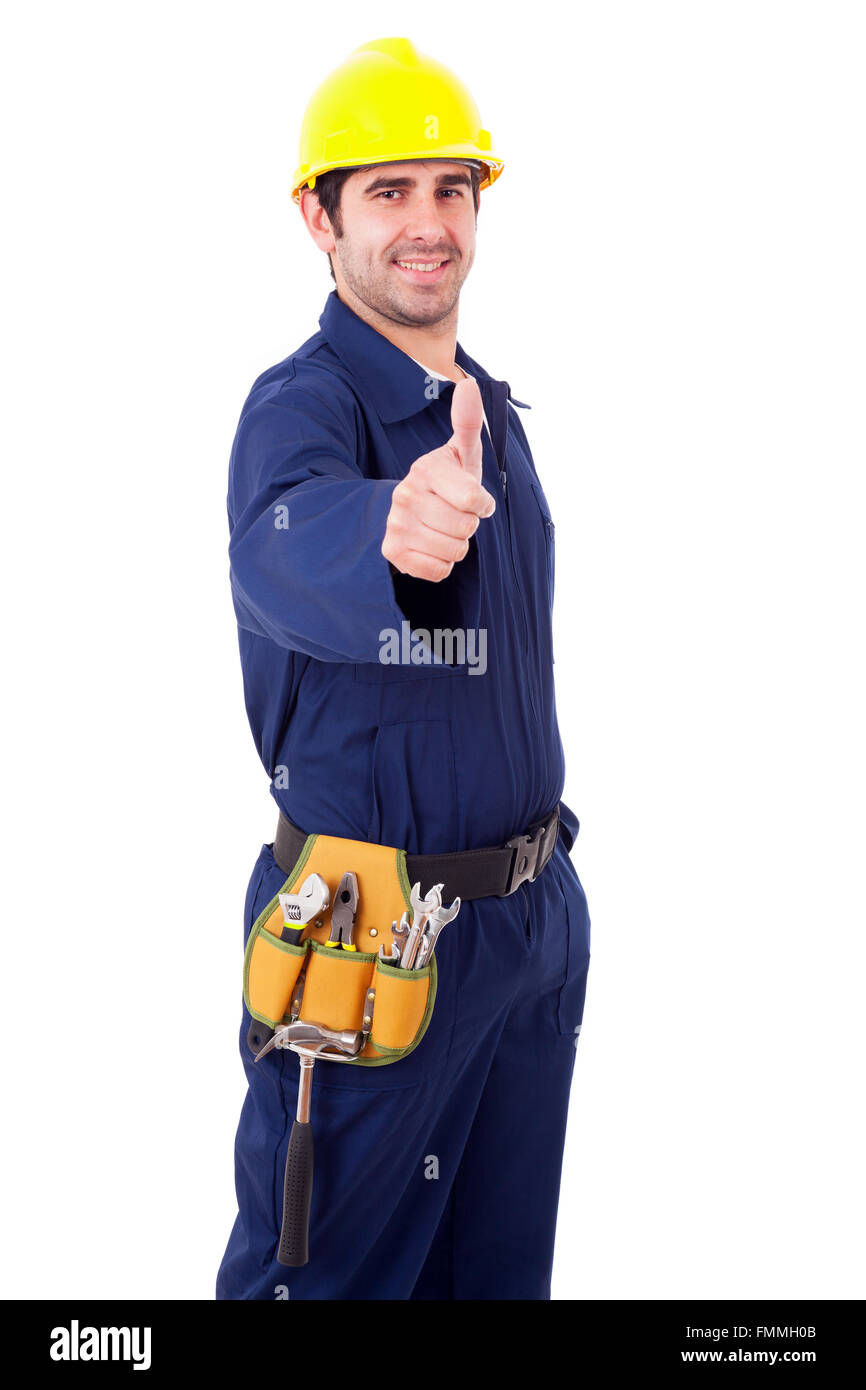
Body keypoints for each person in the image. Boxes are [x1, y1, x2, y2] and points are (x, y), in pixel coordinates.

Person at [217, 36, 591, 1301]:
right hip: (376, 939)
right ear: (318, 219)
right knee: (318, 1283)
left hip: (527, 925)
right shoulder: (303, 407)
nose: (427, 224)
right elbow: (280, 544)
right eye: (386, 191)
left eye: (450, 189)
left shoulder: (486, 406)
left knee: (493, 1280)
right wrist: (383, 532)